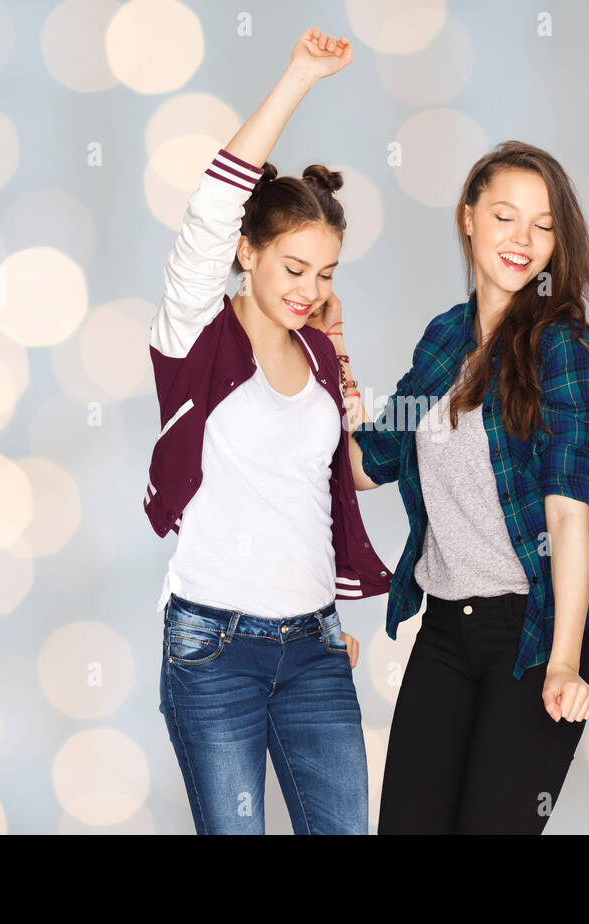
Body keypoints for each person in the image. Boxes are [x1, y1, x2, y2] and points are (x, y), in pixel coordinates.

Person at [339, 141, 589, 834]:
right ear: (468, 217)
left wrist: (563, 662)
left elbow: (569, 517)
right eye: (504, 216)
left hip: (532, 629)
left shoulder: (564, 350)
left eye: (543, 225)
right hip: (445, 628)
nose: (522, 241)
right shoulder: (444, 340)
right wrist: (333, 352)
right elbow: (366, 461)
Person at [145, 28, 390, 835]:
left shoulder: (319, 352)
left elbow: (357, 473)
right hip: (215, 647)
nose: (308, 288)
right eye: (293, 268)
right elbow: (213, 203)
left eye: (324, 273)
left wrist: (342, 346)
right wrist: (300, 78)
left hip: (316, 647)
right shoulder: (195, 334)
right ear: (246, 253)